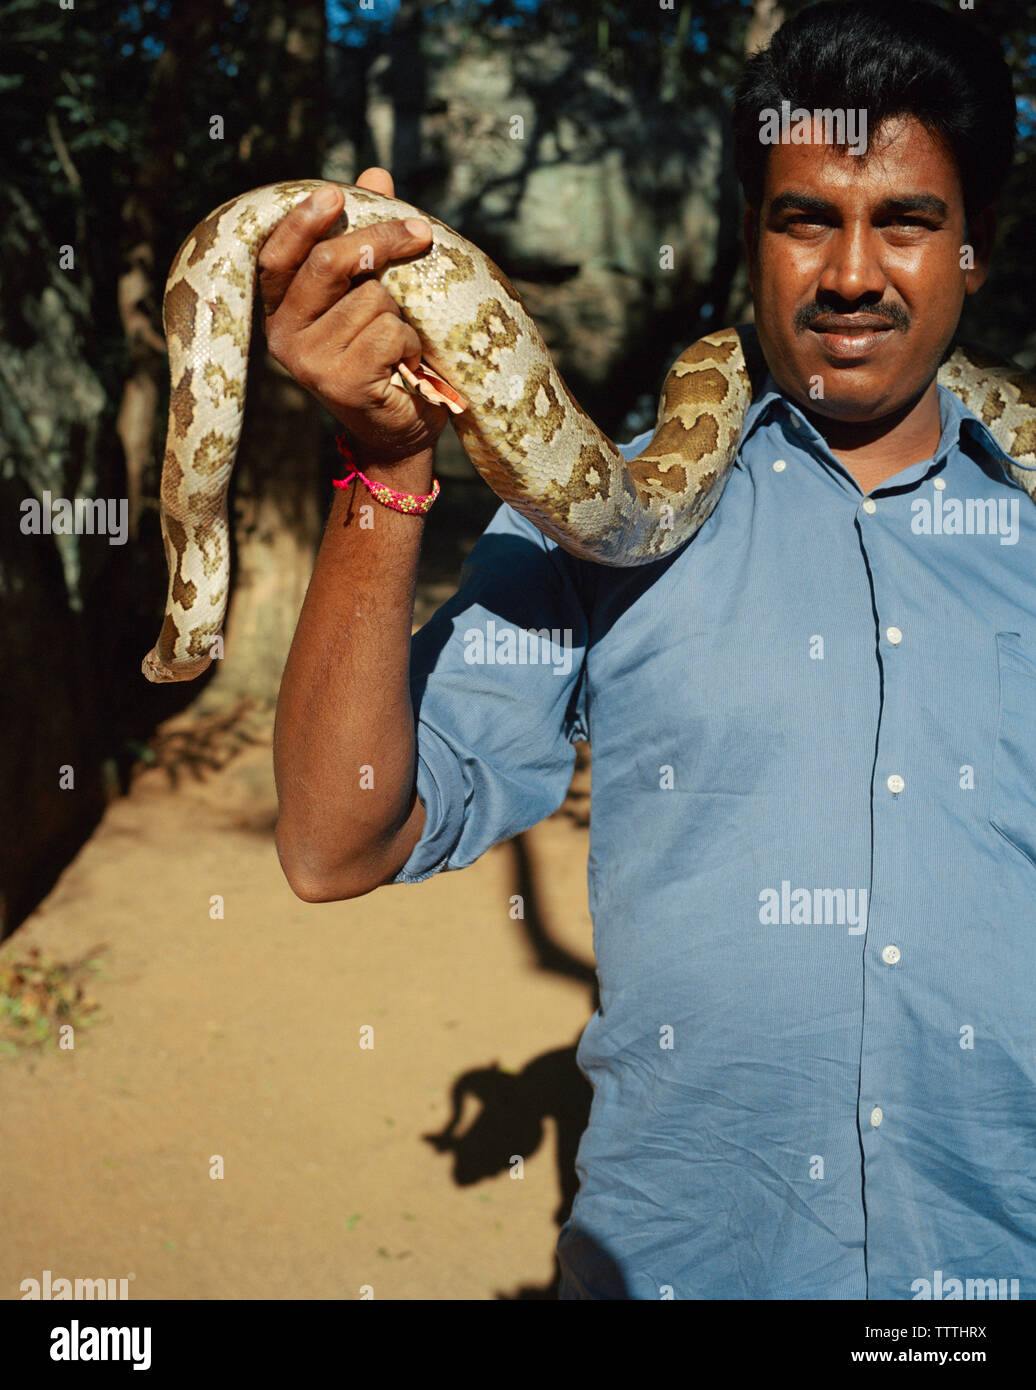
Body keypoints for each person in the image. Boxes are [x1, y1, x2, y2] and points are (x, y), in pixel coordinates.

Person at [268, 0, 1035, 1299]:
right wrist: (389, 467)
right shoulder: (591, 507)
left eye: (906, 219)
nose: (852, 271)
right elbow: (339, 837)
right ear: (751, 240)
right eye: (806, 219)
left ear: (976, 249)